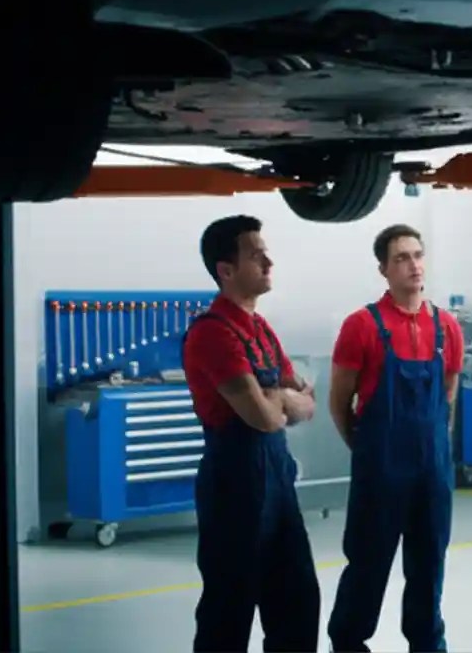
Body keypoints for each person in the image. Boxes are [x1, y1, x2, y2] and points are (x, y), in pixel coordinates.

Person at [181, 215, 320, 653]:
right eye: (256, 254)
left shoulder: (259, 330)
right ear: (226, 269)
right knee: (230, 607)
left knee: (297, 599)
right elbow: (262, 416)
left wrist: (274, 397)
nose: (268, 260)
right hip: (234, 484)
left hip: (277, 480)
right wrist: (278, 400)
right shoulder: (212, 333)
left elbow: (306, 400)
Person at [326, 223, 465, 653]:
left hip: (432, 472)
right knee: (368, 565)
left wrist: (432, 453)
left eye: (418, 255)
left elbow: (448, 398)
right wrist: (370, 450)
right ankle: (347, 642)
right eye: (402, 258)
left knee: (429, 568)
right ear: (384, 269)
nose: (413, 265)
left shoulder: (447, 327)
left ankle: (427, 644)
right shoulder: (361, 325)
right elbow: (339, 403)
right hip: (380, 471)